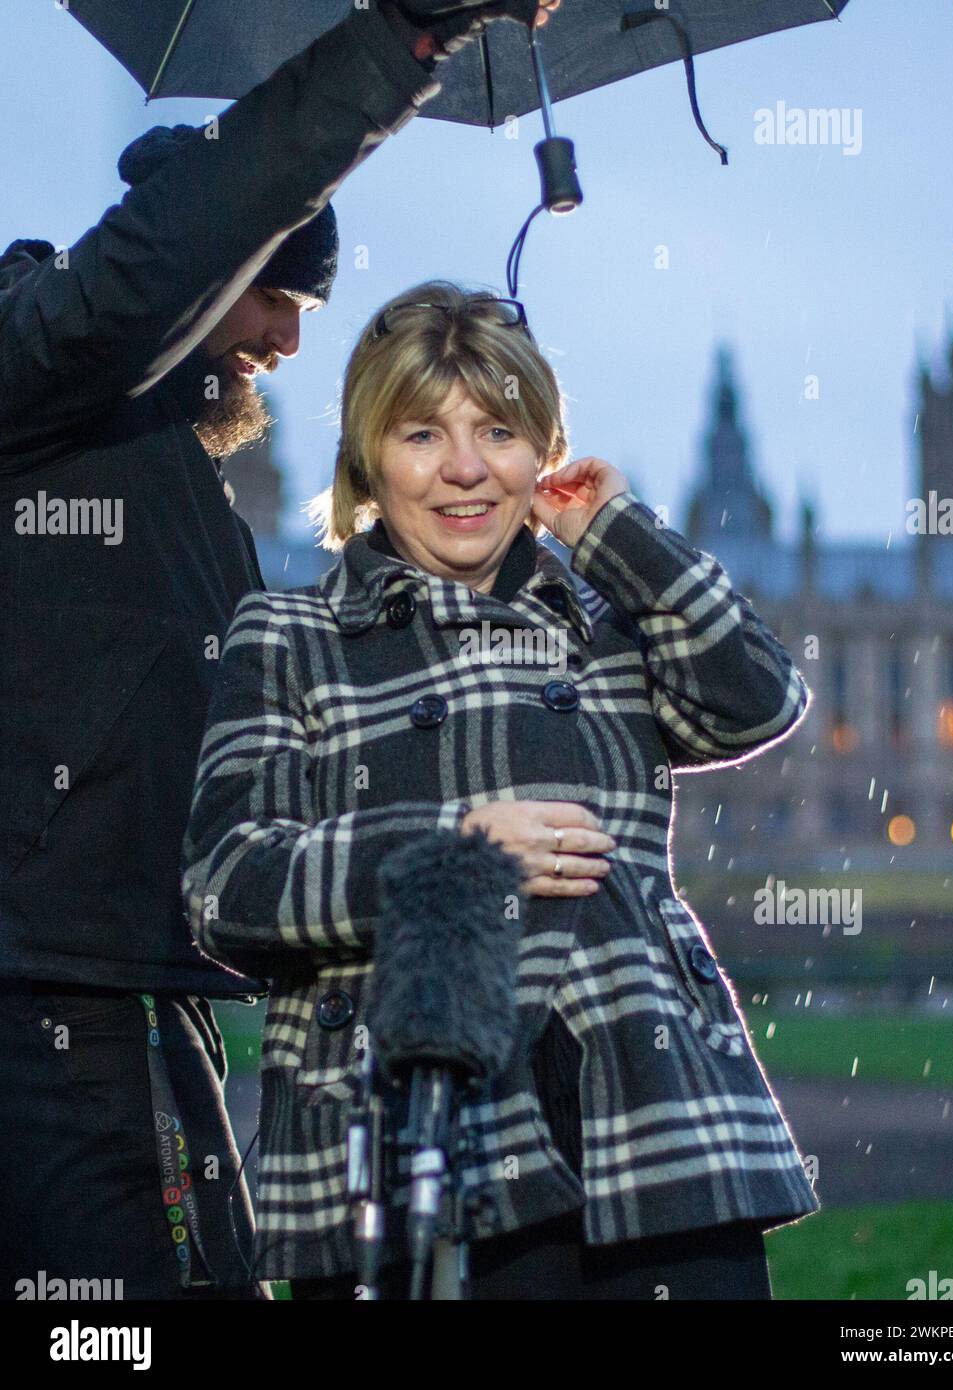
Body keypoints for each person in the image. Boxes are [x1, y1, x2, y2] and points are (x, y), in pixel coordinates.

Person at [0, 1, 546, 1301]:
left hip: (125, 977)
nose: (293, 341)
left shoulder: (164, 475)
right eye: (277, 293)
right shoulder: (43, 359)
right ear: (186, 284)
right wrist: (408, 35)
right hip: (49, 987)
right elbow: (190, 227)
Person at [181, 281, 821, 1301]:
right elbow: (226, 887)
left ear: (543, 450)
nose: (467, 467)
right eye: (423, 432)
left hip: (650, 1124)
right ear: (367, 458)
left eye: (500, 429)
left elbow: (761, 699)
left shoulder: (615, 617)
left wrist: (618, 531)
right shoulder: (288, 637)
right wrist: (456, 848)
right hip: (408, 1132)